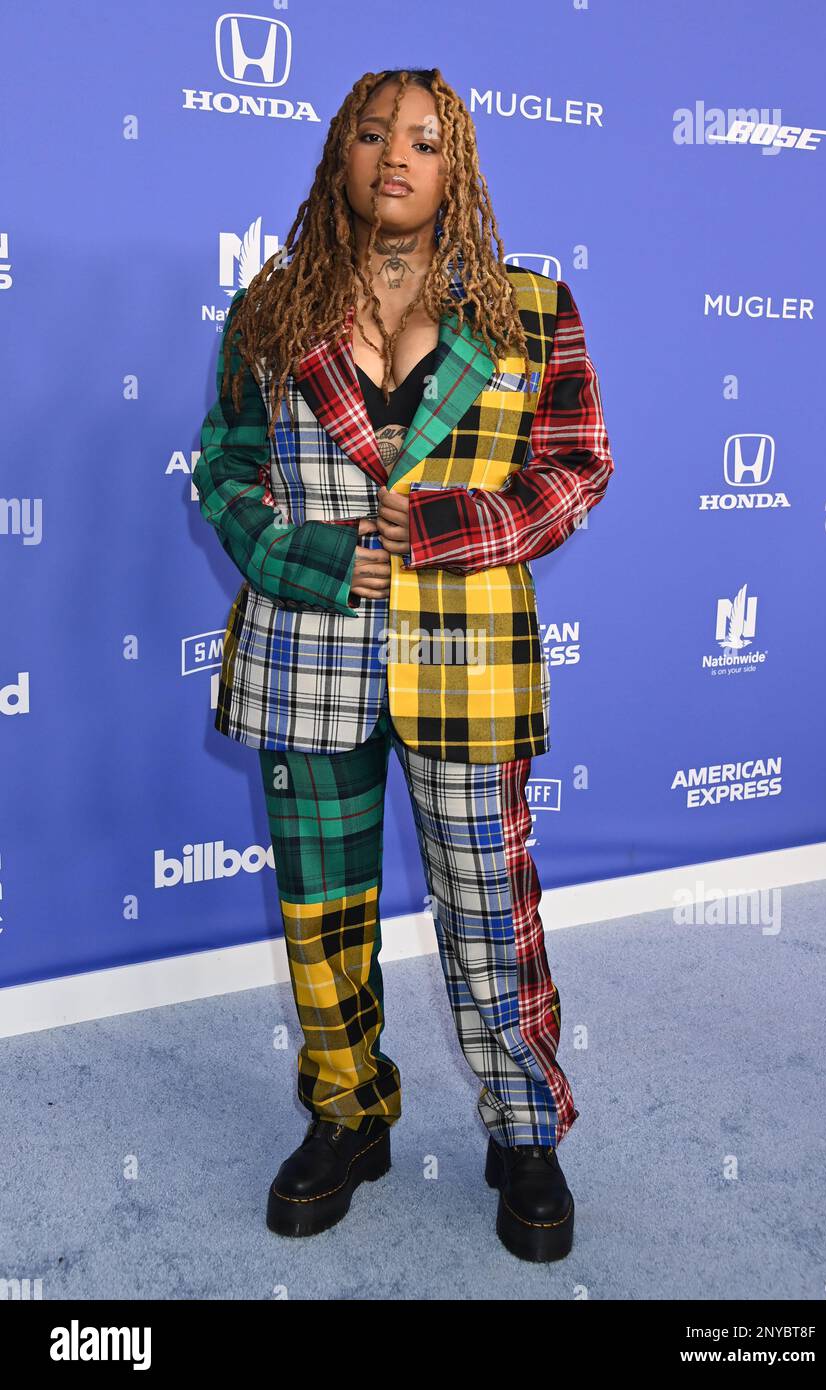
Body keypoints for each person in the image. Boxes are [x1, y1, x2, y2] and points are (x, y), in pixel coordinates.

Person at [193, 66, 614, 1263]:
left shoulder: (531, 309)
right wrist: (312, 557)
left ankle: (524, 1129)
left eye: (425, 141)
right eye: (373, 134)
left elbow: (577, 466)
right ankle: (346, 1113)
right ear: (340, 154)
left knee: (491, 912)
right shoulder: (269, 310)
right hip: (303, 657)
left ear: (457, 169)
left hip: (467, 659)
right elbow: (222, 469)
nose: (397, 155)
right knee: (322, 917)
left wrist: (439, 532)